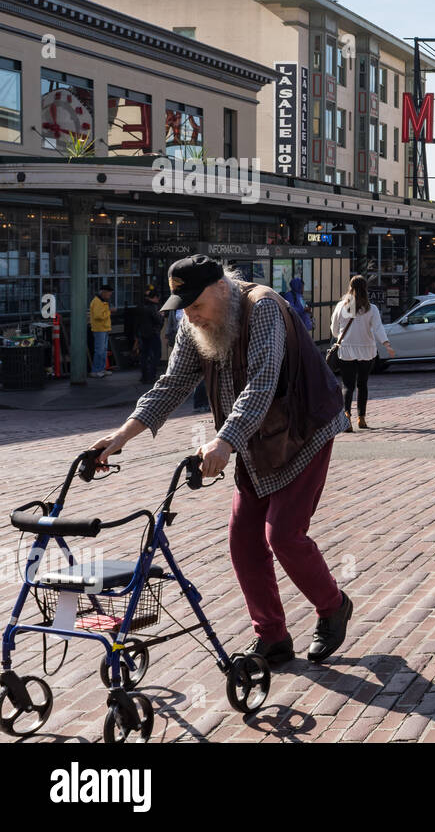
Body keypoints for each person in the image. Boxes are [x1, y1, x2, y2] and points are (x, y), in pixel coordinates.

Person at [91, 255, 352, 666]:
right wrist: (122, 436)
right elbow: (172, 383)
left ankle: (333, 606)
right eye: (184, 308)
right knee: (243, 541)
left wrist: (225, 441)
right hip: (252, 441)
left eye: (195, 306)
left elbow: (262, 382)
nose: (190, 317)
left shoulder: (262, 306)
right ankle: (273, 638)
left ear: (222, 289)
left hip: (304, 431)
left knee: (282, 534)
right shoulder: (194, 324)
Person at [331, 274, 394, 430]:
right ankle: (362, 418)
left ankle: (347, 418)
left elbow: (334, 328)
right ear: (365, 289)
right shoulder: (371, 308)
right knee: (362, 384)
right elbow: (378, 328)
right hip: (367, 349)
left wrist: (339, 336)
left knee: (347, 385)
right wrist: (386, 344)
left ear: (350, 287)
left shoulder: (342, 306)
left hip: (346, 348)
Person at [135, 287, 164, 385]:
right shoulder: (154, 307)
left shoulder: (141, 306)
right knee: (155, 355)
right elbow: (158, 320)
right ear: (155, 297)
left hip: (142, 334)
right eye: (157, 298)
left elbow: (136, 322)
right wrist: (161, 316)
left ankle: (144, 376)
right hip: (153, 333)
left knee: (144, 355)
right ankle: (151, 376)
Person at [89, 284, 115, 377]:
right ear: (104, 292)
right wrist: (109, 311)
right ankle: (96, 370)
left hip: (103, 328)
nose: (110, 295)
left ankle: (101, 369)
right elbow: (98, 316)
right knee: (99, 350)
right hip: (99, 329)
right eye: (109, 293)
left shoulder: (102, 301)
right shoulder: (97, 302)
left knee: (103, 350)